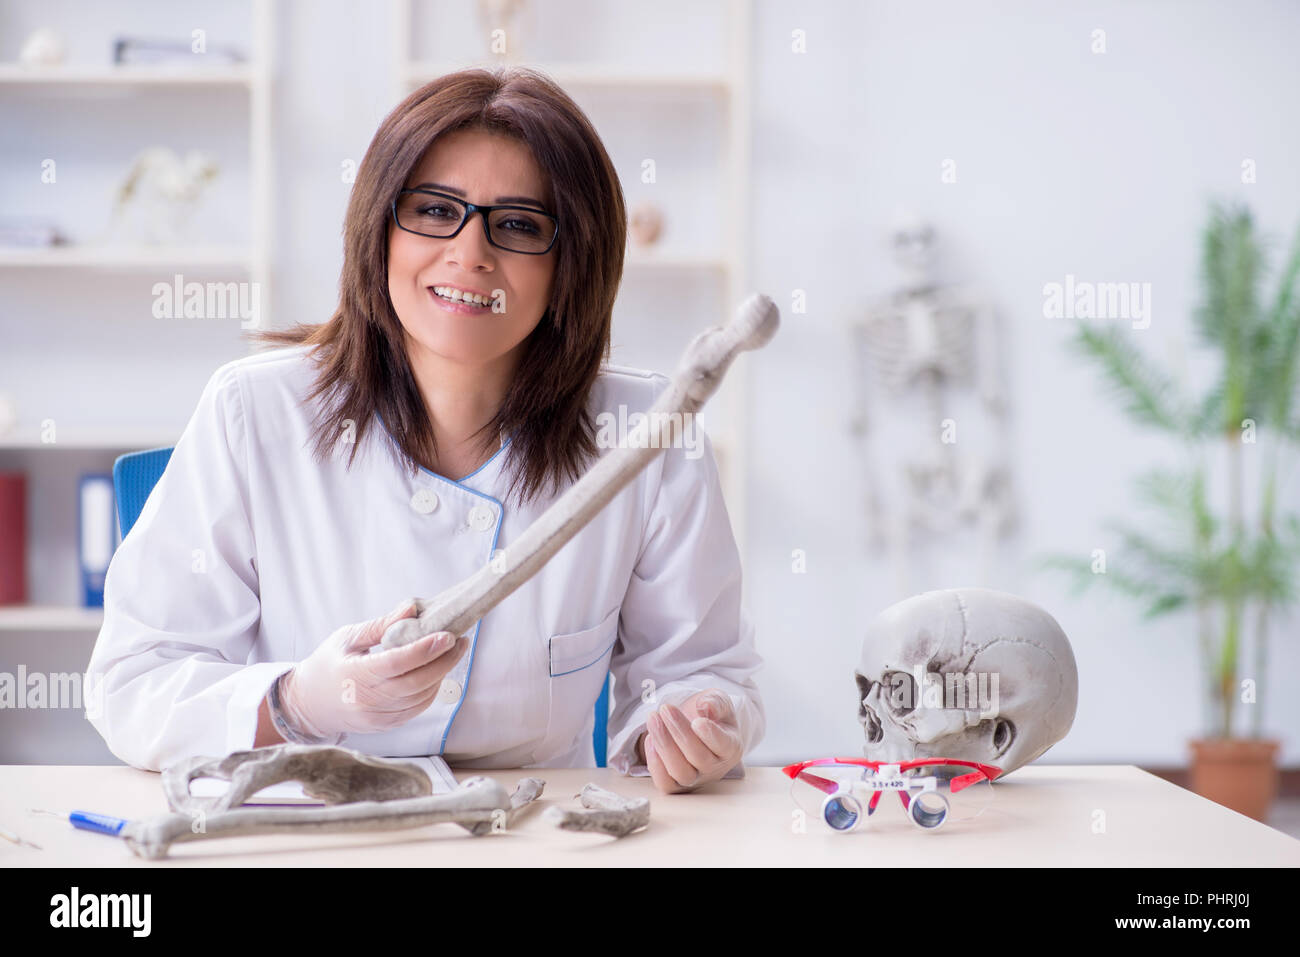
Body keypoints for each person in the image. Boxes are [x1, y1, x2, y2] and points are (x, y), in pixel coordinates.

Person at [87, 67, 764, 795]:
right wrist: (300, 699)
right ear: (378, 230)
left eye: (519, 225)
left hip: (534, 835)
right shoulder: (252, 412)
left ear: (573, 267)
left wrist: (693, 729)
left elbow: (702, 672)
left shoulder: (645, 439)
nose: (470, 252)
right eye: (435, 211)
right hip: (311, 826)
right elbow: (133, 683)